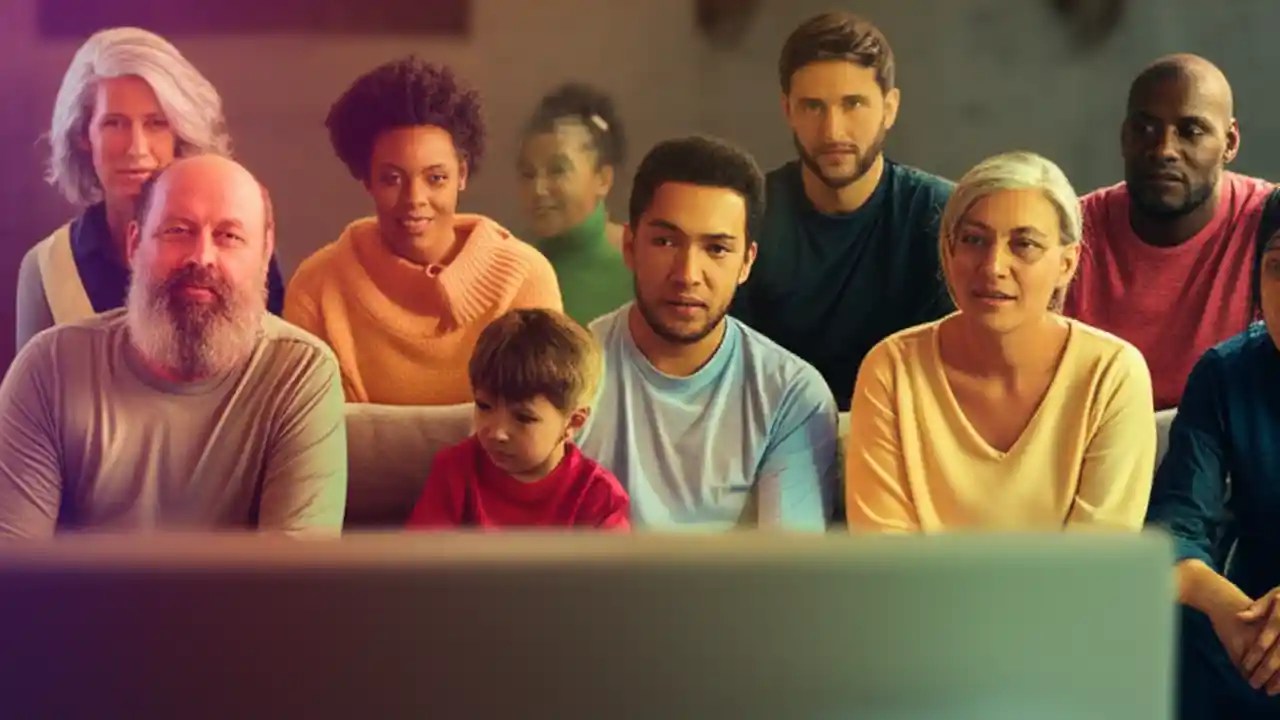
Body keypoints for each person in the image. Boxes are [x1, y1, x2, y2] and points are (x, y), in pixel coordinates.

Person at [0, 155, 347, 538]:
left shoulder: (301, 374)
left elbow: (293, 586)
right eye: (178, 230)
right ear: (135, 244)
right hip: (76, 602)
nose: (201, 257)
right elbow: (12, 572)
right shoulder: (49, 368)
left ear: (265, 254)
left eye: (229, 236)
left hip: (245, 603)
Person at [845, 151, 1155, 532]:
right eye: (974, 240)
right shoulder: (892, 369)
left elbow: (1096, 566)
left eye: (1024, 244)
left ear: (1067, 263)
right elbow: (885, 560)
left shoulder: (1112, 375)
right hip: (917, 595)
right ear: (948, 250)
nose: (993, 266)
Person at [575, 135, 839, 531]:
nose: (687, 275)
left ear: (746, 262)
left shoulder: (790, 395)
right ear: (630, 245)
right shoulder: (567, 376)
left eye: (716, 249)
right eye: (665, 241)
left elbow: (787, 576)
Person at [285, 57, 563, 405]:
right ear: (366, 179)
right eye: (392, 179)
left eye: (436, 178)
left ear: (461, 175)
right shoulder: (318, 286)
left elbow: (539, 435)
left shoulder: (526, 279)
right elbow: (310, 440)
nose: (415, 199)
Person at [729, 11, 954, 411]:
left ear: (889, 108)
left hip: (906, 440)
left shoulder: (941, 216)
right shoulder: (747, 214)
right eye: (813, 106)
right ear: (788, 111)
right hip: (770, 441)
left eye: (853, 104)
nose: (833, 130)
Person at [17, 26, 285, 352]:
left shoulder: (240, 250)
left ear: (181, 134)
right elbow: (32, 398)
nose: (136, 147)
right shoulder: (48, 268)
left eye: (156, 124)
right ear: (84, 136)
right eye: (114, 123)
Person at [1065, 53, 1278, 410]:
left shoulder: (1270, 224)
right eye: (1145, 129)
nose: (1164, 150)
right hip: (1098, 447)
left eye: (1191, 131)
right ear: (1124, 137)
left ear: (1230, 142)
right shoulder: (1070, 231)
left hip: (1235, 454)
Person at [1145, 230, 1280, 718]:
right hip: (1249, 627)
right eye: (1278, 267)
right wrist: (1229, 610)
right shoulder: (1226, 373)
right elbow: (1175, 528)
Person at [406, 308, 629, 529]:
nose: (497, 433)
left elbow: (615, 565)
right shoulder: (454, 472)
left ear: (573, 422)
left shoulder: (599, 497)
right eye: (484, 406)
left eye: (523, 418)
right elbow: (422, 561)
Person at [517, 82, 632, 325]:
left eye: (557, 170)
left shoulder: (645, 264)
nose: (538, 189)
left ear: (603, 178)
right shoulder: (517, 272)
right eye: (528, 173)